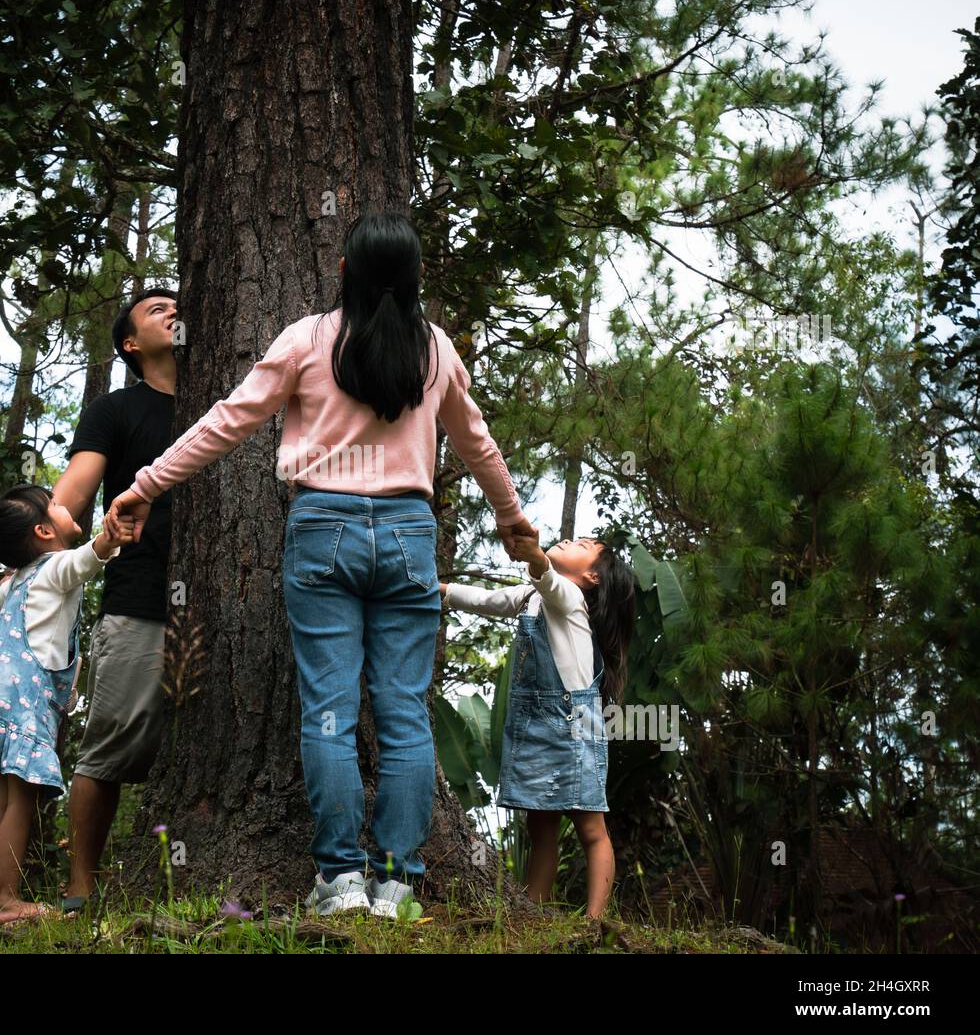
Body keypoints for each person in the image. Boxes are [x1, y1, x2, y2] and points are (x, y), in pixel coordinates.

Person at [109, 212, 538, 918]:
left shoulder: (308, 338)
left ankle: (339, 882)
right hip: (406, 533)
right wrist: (512, 517)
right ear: (416, 278)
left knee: (331, 713)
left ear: (344, 272)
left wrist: (145, 483)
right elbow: (478, 443)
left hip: (324, 529)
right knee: (404, 714)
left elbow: (227, 420)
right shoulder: (435, 351)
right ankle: (396, 884)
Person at [0, 484, 133, 926]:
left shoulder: (19, 580)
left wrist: (11, 577)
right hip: (24, 701)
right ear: (44, 531)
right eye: (58, 506)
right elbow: (89, 558)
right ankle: (6, 901)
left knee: (1, 802)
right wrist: (111, 535)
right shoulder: (56, 567)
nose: (67, 504)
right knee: (21, 799)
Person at [50, 288, 179, 916]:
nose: (174, 311)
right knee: (108, 748)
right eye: (157, 310)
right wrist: (54, 532)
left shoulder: (227, 403)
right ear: (130, 344)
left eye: (179, 304)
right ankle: (81, 889)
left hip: (235, 603)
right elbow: (70, 494)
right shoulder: (114, 410)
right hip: (140, 601)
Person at [440, 534, 635, 918]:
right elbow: (486, 600)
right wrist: (440, 590)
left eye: (581, 544)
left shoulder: (570, 599)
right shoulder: (533, 596)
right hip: (534, 728)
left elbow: (547, 577)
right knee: (540, 829)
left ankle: (595, 921)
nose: (567, 540)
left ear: (593, 577)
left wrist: (531, 550)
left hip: (574, 729)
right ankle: (534, 912)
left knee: (591, 829)